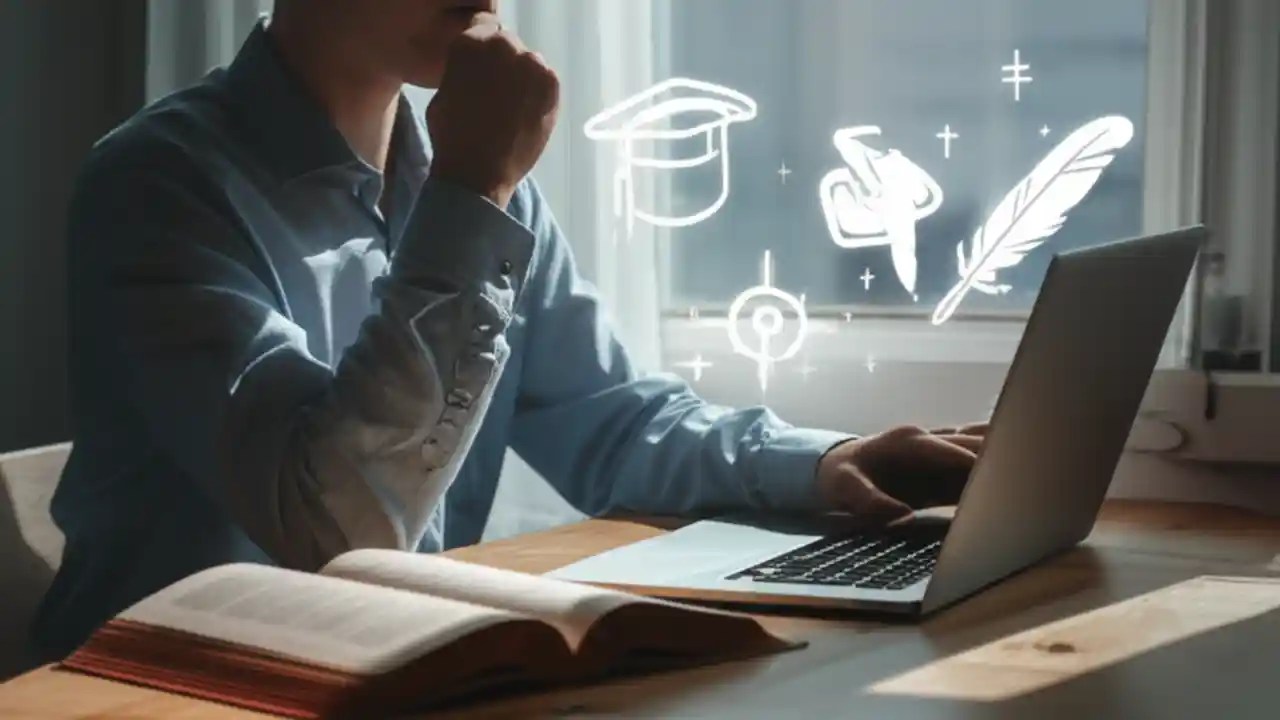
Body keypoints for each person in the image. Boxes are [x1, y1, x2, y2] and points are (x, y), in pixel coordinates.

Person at [33, 0, 983, 660]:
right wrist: (474, 190)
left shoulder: (469, 185)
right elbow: (339, 526)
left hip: (387, 673)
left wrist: (827, 464)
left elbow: (606, 414)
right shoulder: (158, 186)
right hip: (170, 685)